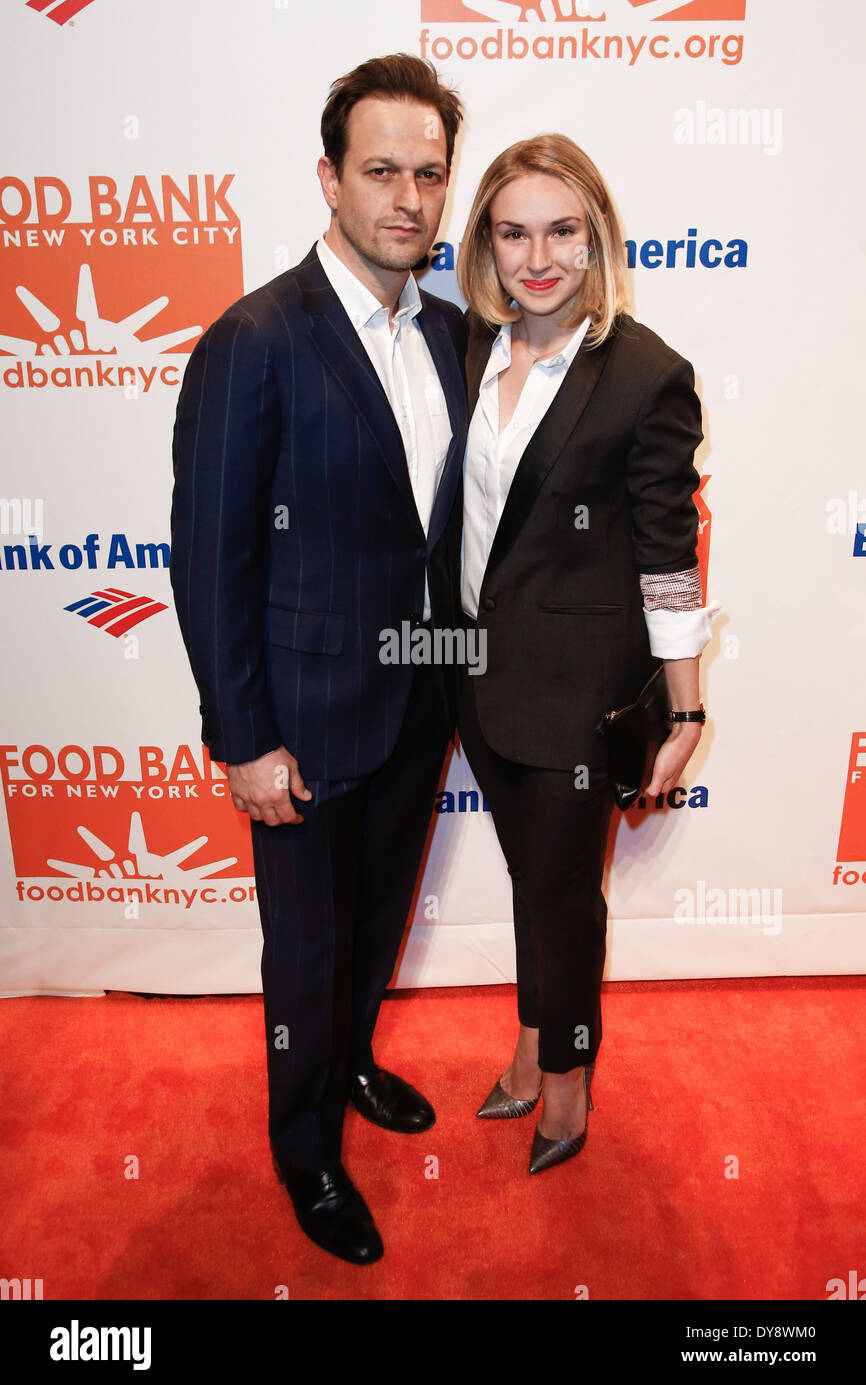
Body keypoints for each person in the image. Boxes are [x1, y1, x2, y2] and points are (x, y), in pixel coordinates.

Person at [170, 54, 467, 1263]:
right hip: (297, 721)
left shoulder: (453, 333)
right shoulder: (256, 339)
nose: (407, 196)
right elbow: (210, 557)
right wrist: (242, 737)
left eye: (428, 173)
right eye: (381, 169)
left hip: (416, 701)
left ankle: (349, 1060)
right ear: (329, 179)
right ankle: (305, 1154)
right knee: (303, 950)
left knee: (376, 922)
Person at [455, 134, 720, 1174]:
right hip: (466, 679)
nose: (538, 257)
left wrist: (685, 709)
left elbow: (667, 551)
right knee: (532, 876)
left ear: (597, 237)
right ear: (485, 242)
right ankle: (528, 1036)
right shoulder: (466, 346)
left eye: (562, 230)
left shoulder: (644, 374)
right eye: (513, 231)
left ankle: (562, 1076)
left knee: (564, 891)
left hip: (576, 691)